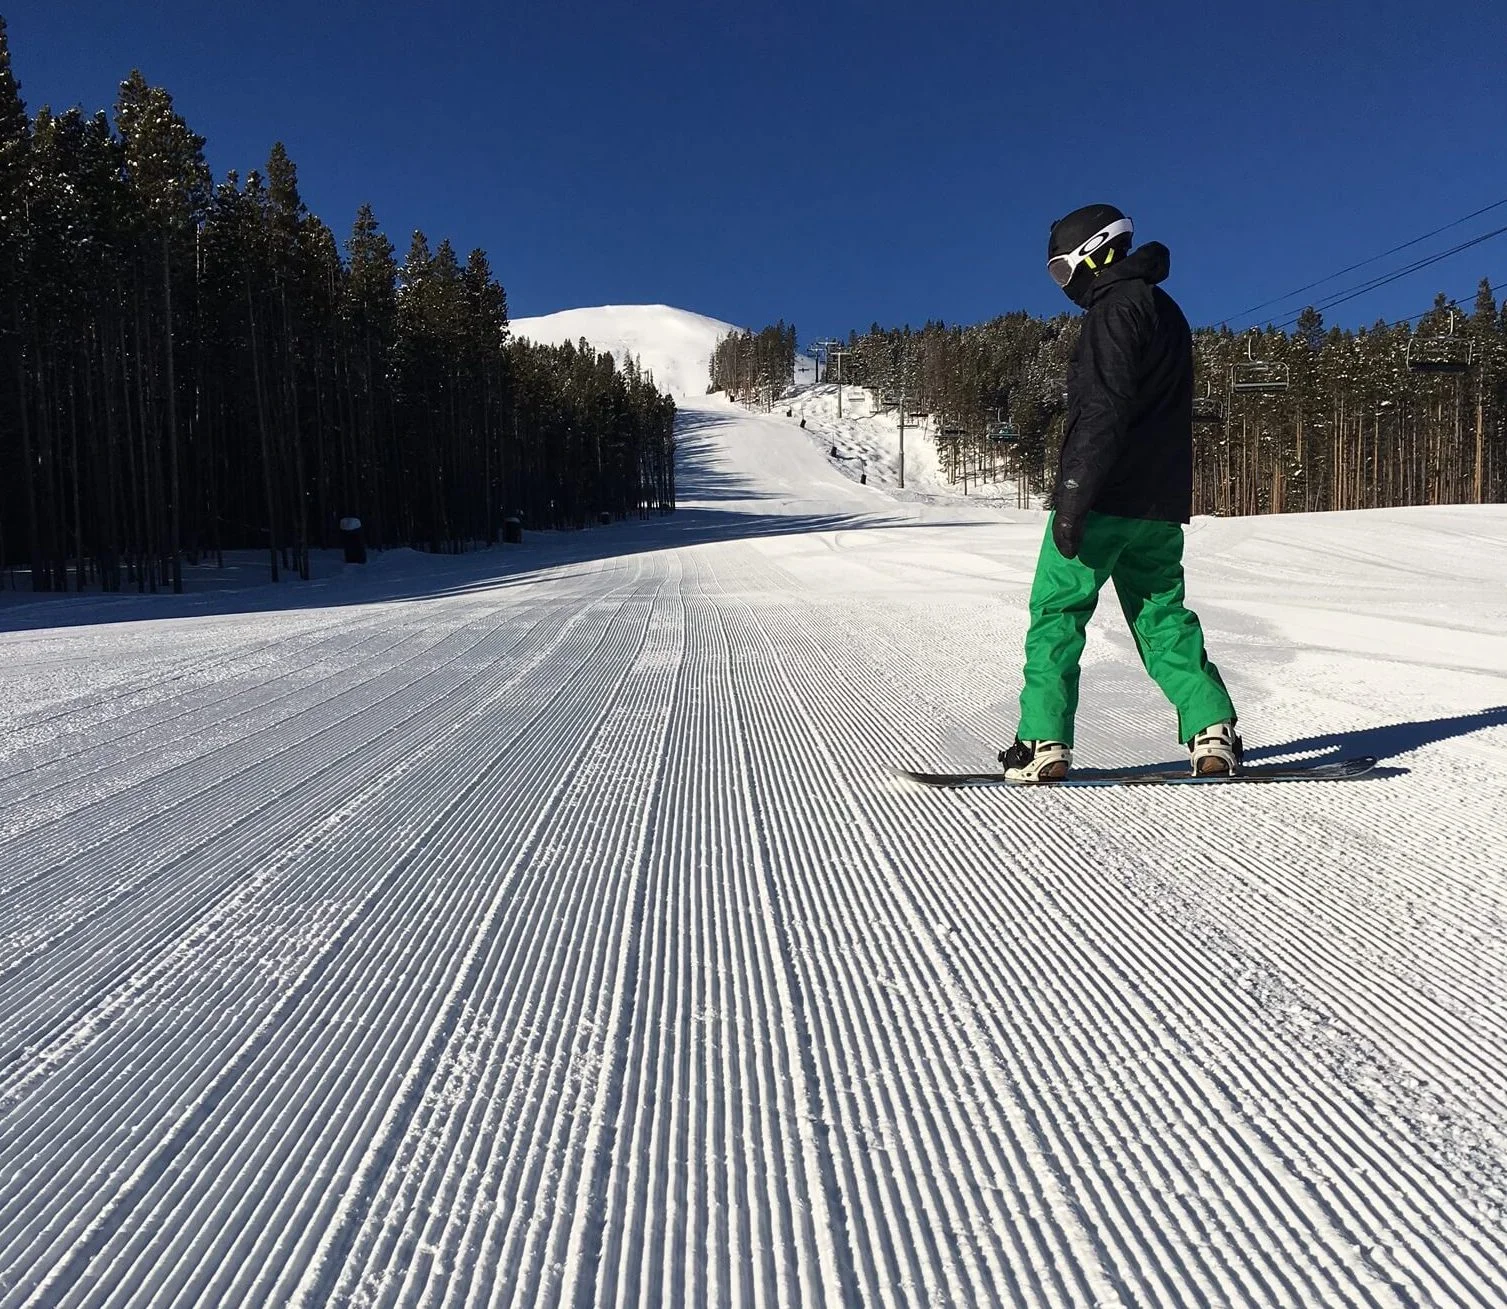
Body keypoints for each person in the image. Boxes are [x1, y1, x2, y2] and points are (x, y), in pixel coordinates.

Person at [999, 204, 1241, 782]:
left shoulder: (1112, 312)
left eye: (1061, 270)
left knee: (1058, 612)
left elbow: (1101, 409)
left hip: (1104, 495)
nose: (1065, 285)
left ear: (1093, 252)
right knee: (1163, 615)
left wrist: (1075, 491)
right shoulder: (1166, 309)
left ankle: (1043, 741)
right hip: (1158, 505)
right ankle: (1212, 730)